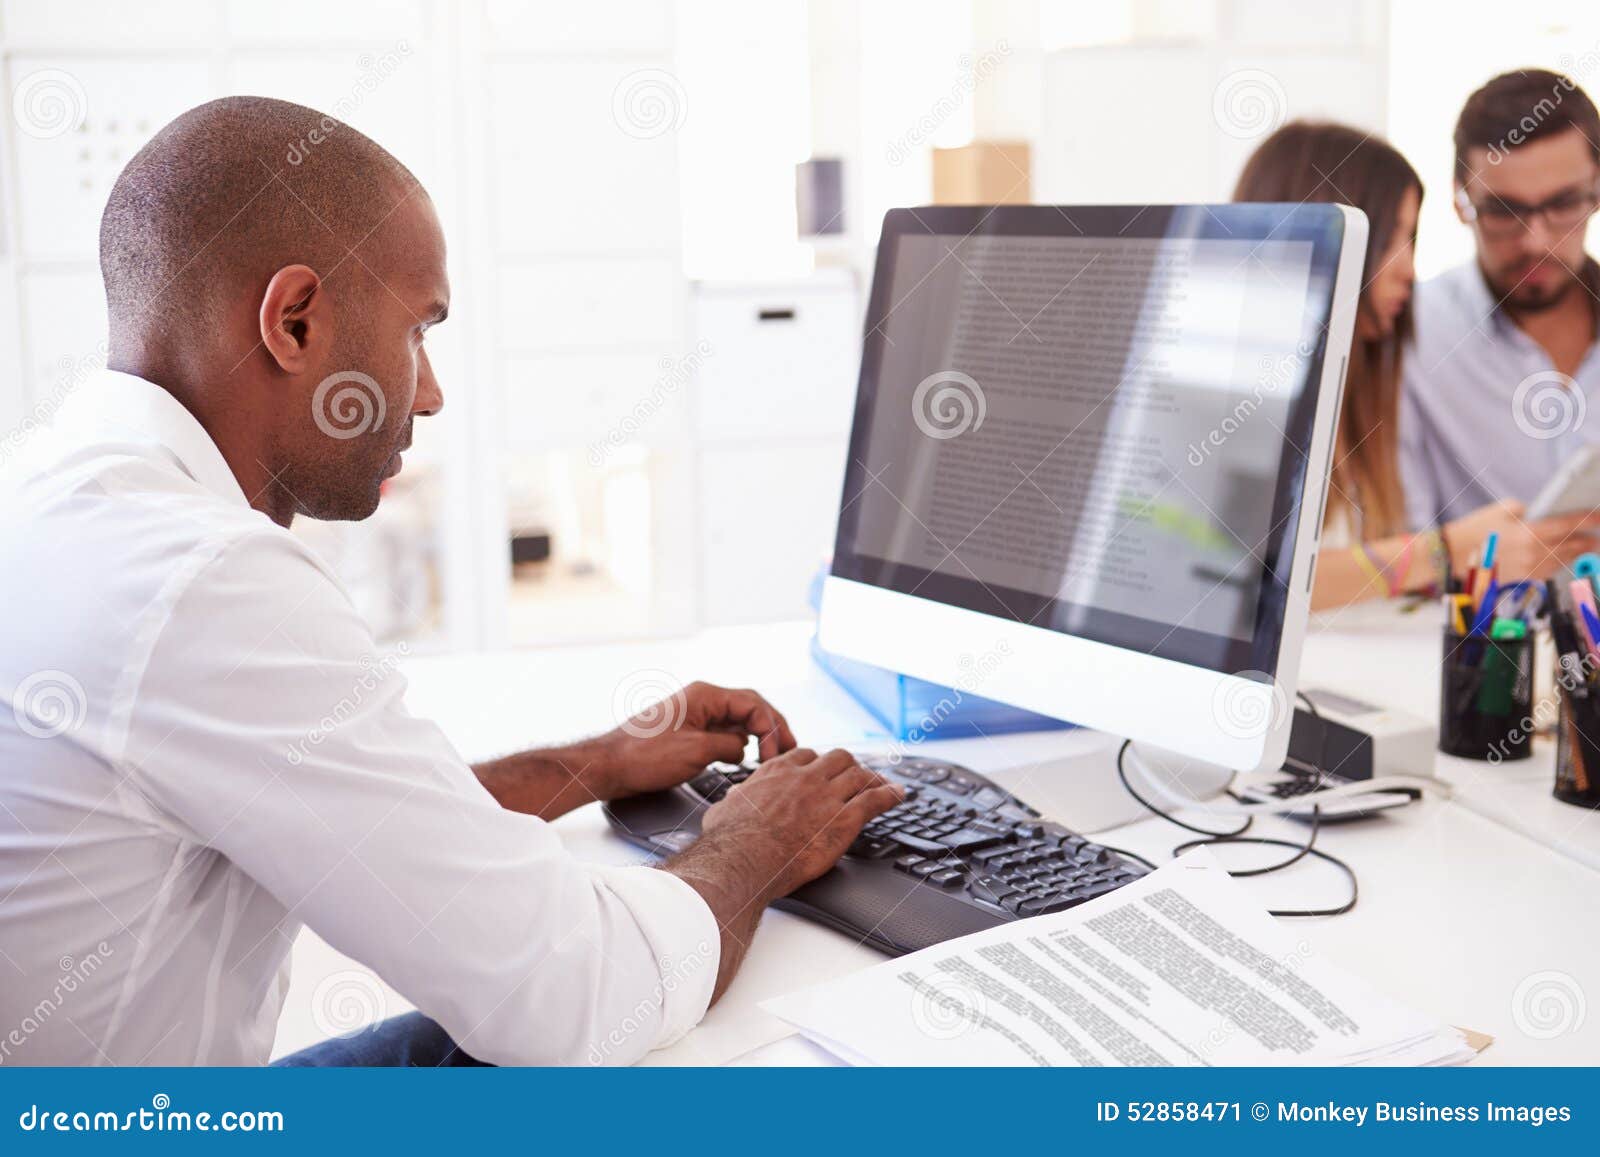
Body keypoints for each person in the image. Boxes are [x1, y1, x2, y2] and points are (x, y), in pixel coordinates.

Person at [0, 97, 902, 1067]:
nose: (427, 390)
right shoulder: (199, 579)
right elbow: (580, 1004)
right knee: (713, 1042)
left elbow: (348, 813)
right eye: (418, 330)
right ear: (293, 321)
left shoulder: (50, 484)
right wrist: (758, 837)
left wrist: (597, 760)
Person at [1233, 119, 1597, 610]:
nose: (1407, 269)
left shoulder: (1365, 384)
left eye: (1412, 242)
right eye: (1390, 241)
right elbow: (1247, 585)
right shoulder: (1239, 396)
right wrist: (1446, 552)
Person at [1402, 69, 1600, 538]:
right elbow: (1402, 553)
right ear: (1459, 200)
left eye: (1564, 203)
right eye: (1502, 211)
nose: (1536, 241)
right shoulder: (1411, 332)